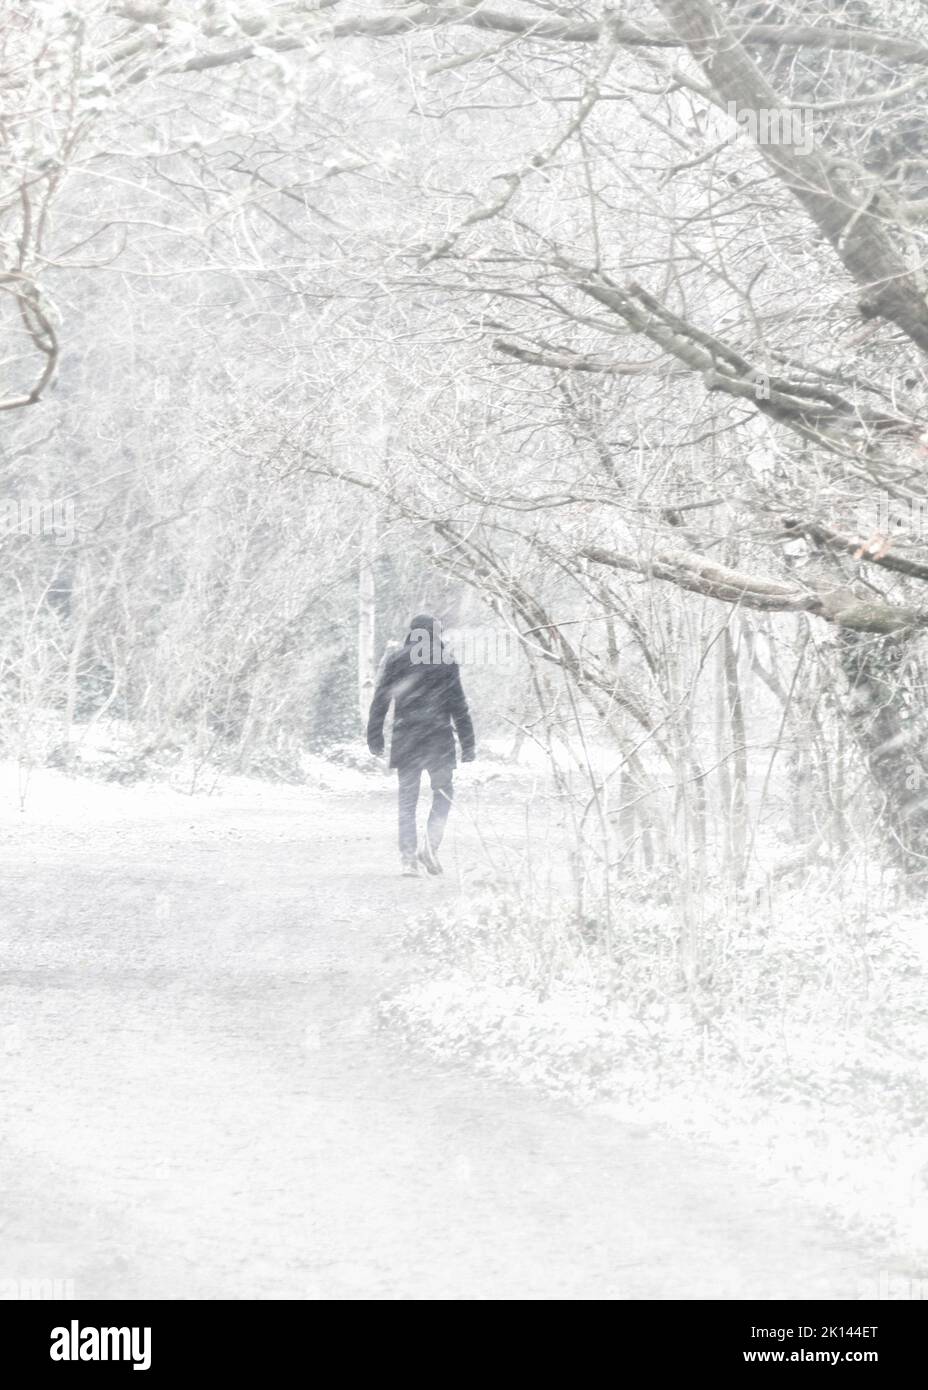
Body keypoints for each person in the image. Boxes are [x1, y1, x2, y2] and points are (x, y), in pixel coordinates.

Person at [366, 613, 475, 876]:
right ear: (434, 633)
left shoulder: (397, 660)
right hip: (438, 739)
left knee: (407, 801)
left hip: (407, 739)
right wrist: (468, 743)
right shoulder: (445, 661)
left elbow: (381, 699)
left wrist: (375, 736)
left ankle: (408, 860)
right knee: (443, 794)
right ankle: (430, 844)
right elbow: (459, 705)